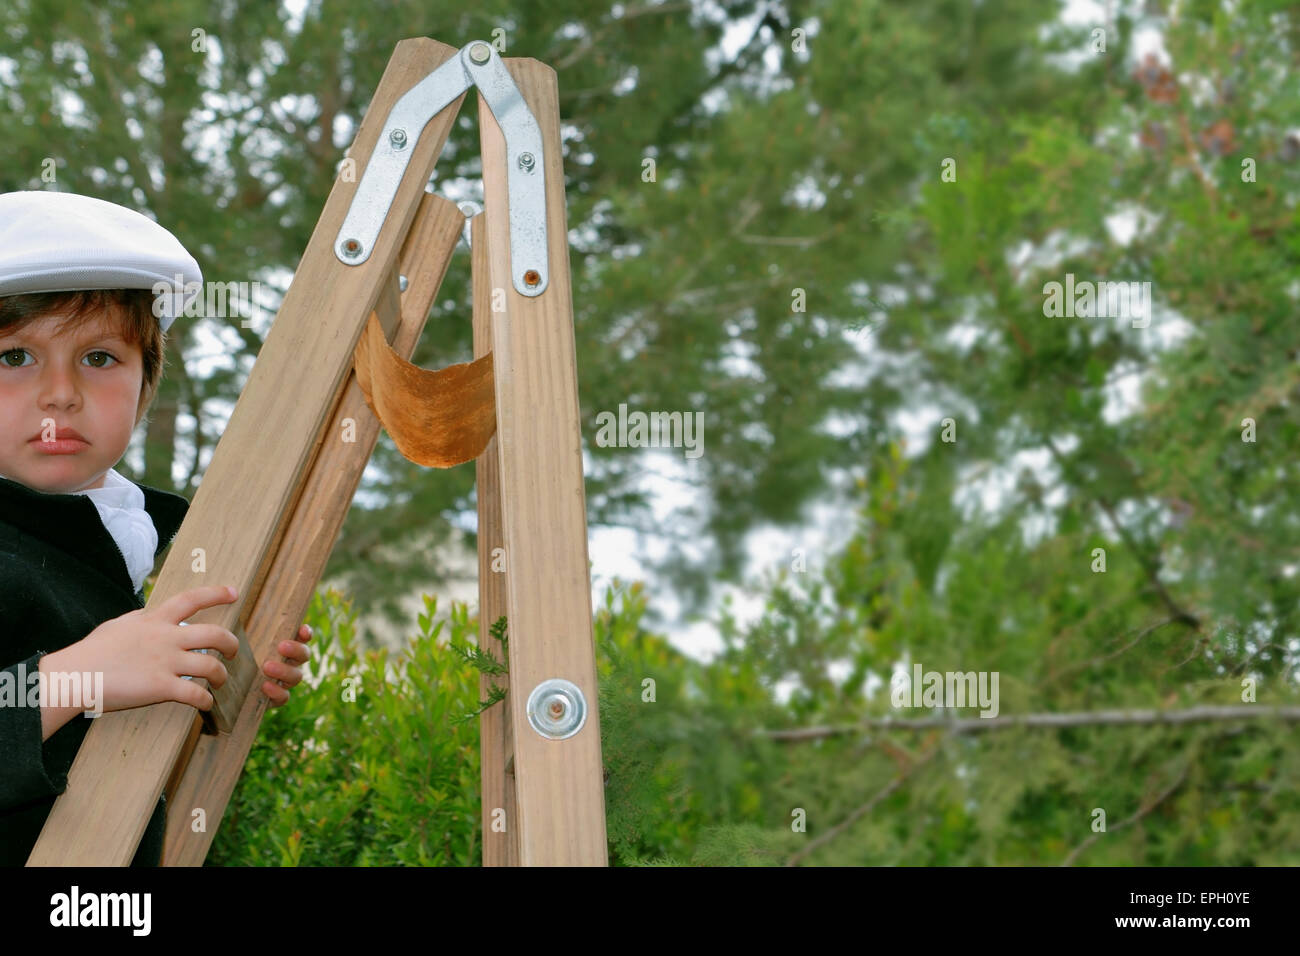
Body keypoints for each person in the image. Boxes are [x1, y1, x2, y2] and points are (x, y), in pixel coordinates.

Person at [0, 190, 312, 866]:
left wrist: (206, 680)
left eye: (100, 358)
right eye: (15, 357)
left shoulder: (112, 549)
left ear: (146, 387)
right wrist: (78, 676)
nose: (61, 392)